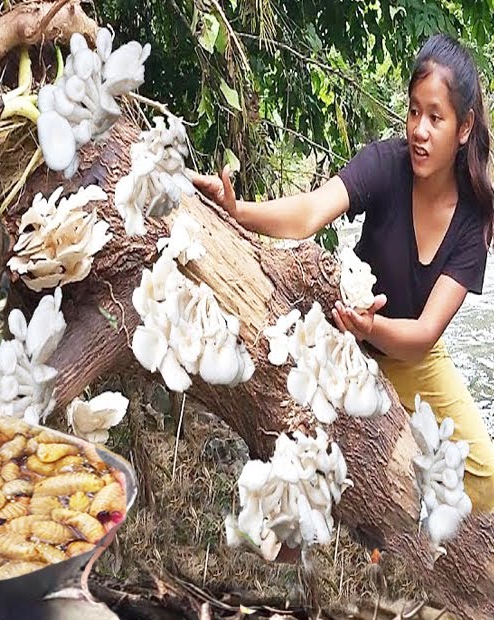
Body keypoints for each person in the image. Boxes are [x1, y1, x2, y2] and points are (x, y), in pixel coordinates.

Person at [192, 33, 494, 512]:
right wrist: (236, 210)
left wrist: (376, 326)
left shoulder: (475, 216)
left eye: (436, 118)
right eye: (414, 111)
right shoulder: (386, 165)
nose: (419, 130)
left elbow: (423, 334)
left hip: (412, 354)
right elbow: (309, 213)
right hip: (349, 340)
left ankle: (407, 499)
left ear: (463, 127)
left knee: (485, 478)